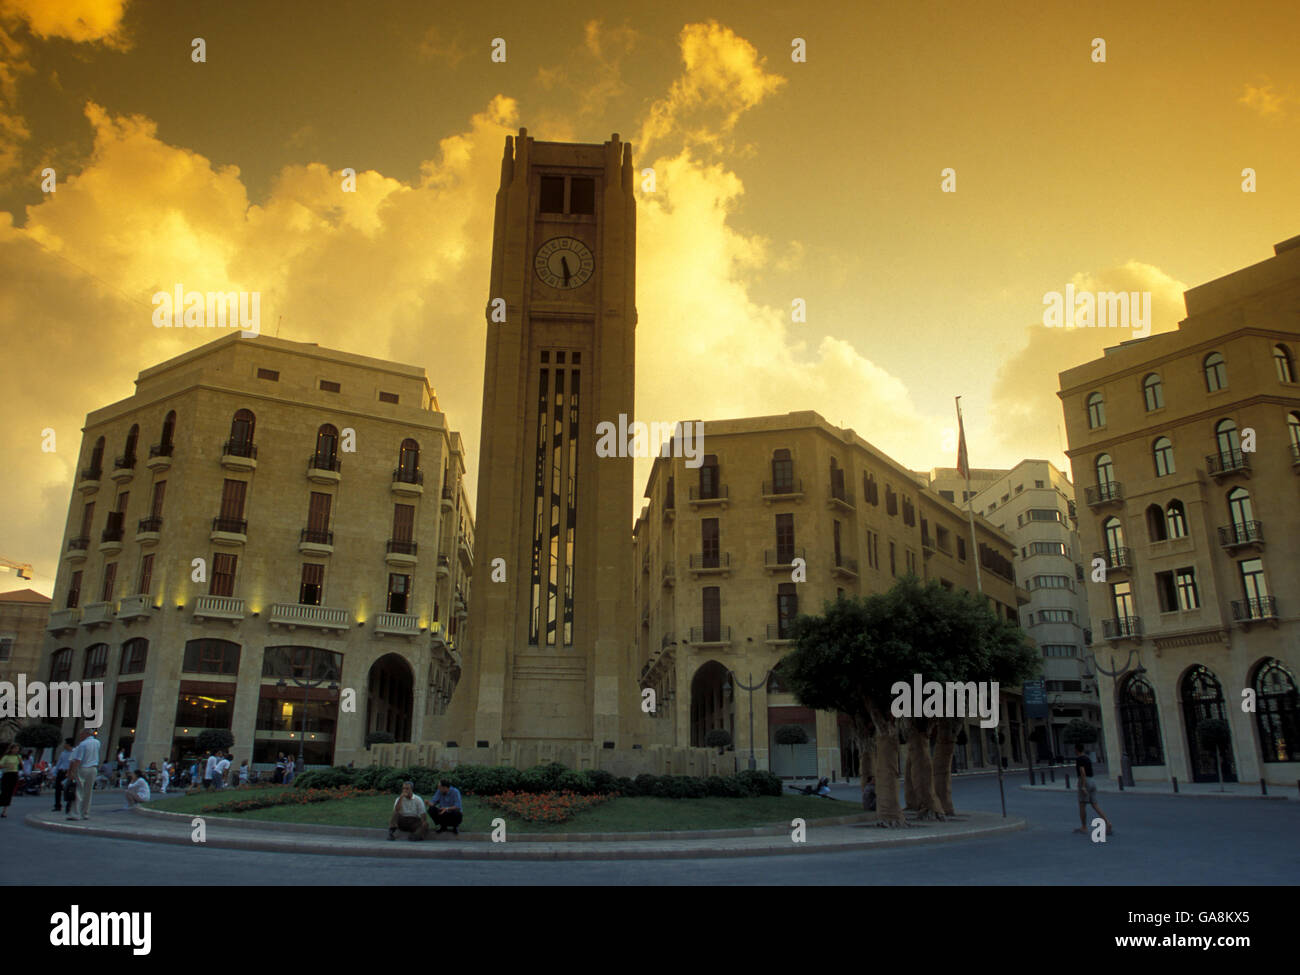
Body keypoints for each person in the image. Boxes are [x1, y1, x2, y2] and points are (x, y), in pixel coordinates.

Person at [1073, 743, 1114, 837]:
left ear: (1076, 750)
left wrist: (1083, 786)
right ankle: (1107, 823)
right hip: (1092, 781)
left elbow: (1082, 772)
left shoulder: (1079, 759)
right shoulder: (1087, 758)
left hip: (1084, 781)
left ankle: (1084, 827)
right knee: (1095, 804)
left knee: (1082, 804)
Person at [66, 728, 102, 821]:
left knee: (79, 791)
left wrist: (72, 772)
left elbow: (78, 760)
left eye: (81, 734)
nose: (80, 736)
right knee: (88, 792)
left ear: (86, 734)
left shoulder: (83, 744)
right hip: (93, 768)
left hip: (83, 768)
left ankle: (76, 813)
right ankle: (85, 813)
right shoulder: (97, 742)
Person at [51, 738, 74, 813]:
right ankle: (57, 805)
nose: (64, 745)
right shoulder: (63, 753)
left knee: (68, 790)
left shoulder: (74, 752)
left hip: (68, 772)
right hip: (61, 772)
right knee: (58, 789)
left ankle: (68, 805)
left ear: (69, 745)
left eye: (65, 744)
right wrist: (55, 773)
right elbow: (58, 763)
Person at [0, 743, 20, 818]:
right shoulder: (6, 757)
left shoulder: (18, 757)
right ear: (11, 749)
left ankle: (4, 811)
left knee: (9, 793)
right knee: (4, 791)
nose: (16, 750)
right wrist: (6, 766)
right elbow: (1, 765)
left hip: (14, 775)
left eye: (17, 749)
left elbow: (19, 766)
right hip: (7, 774)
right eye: (15, 748)